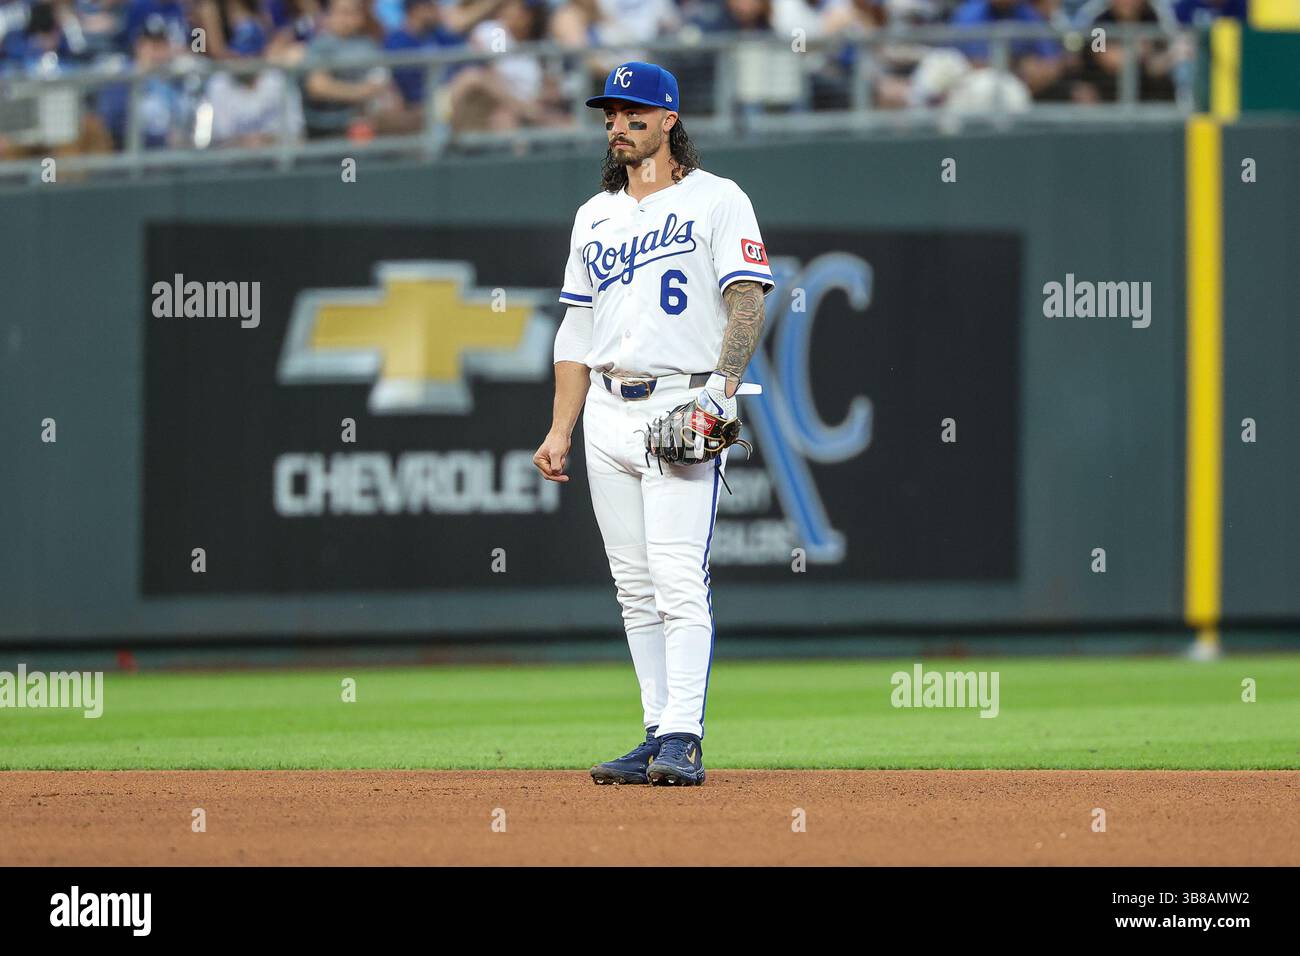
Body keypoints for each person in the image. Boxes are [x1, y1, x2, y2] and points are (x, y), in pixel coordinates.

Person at [533, 62, 775, 787]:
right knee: (633, 585)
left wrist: (721, 397)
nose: (618, 125)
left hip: (683, 400)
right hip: (606, 406)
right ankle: (654, 730)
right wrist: (560, 429)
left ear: (669, 120)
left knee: (676, 578)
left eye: (634, 113)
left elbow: (748, 302)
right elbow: (576, 329)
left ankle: (685, 736)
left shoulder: (718, 199)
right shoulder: (594, 215)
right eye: (610, 114)